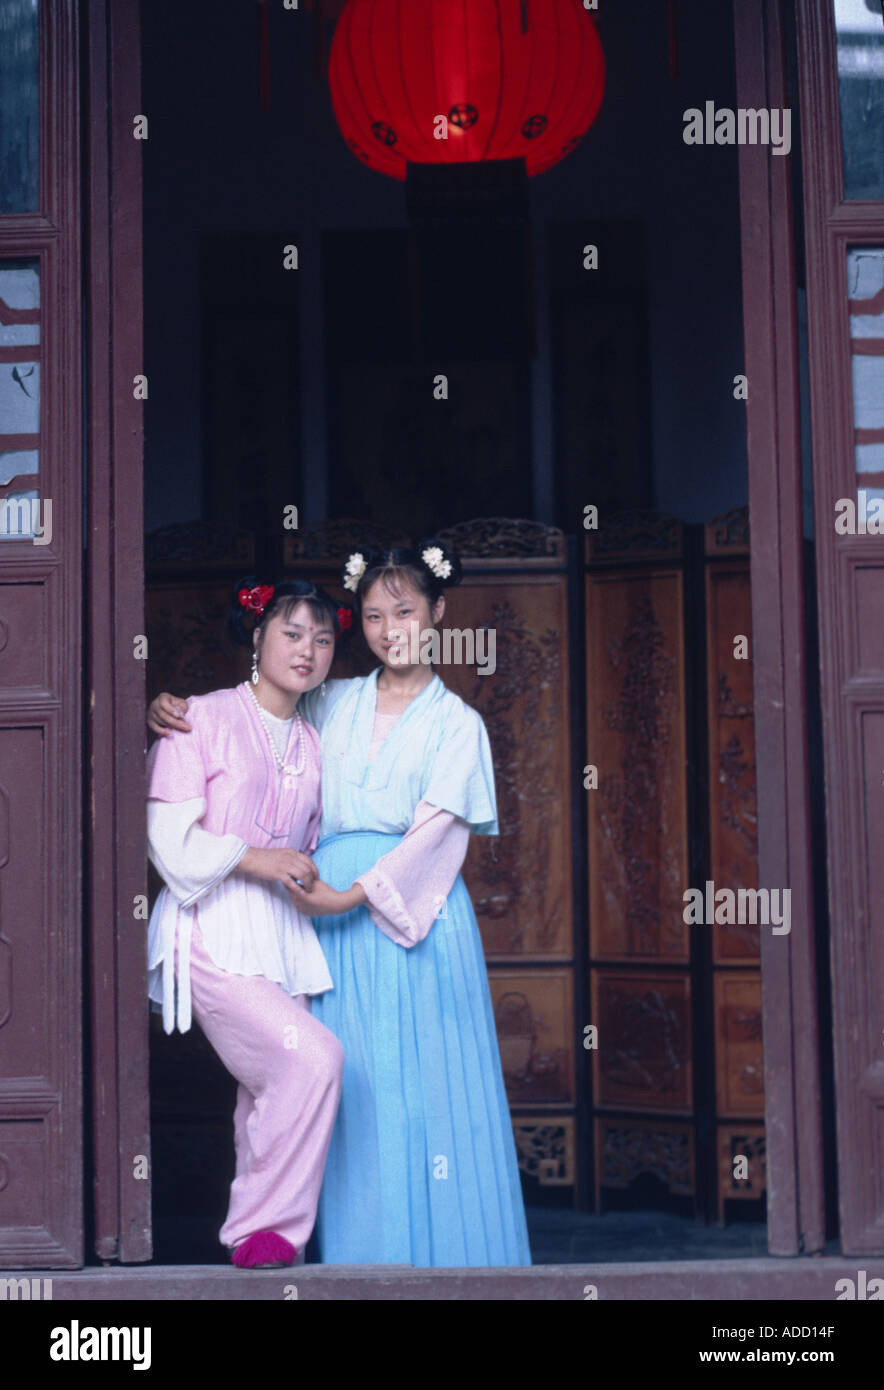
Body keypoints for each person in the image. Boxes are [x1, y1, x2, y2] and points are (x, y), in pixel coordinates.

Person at [149, 540, 532, 1267]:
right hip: (312, 921)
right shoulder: (335, 699)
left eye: (407, 611)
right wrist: (169, 709)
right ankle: (350, 1253)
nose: (391, 629)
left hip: (403, 913)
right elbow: (258, 713)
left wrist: (353, 895)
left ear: (439, 613)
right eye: (378, 615)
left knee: (421, 1088)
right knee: (337, 1082)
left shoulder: (459, 726)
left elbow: (436, 839)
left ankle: (449, 1259)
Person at [145, 577, 346, 1269]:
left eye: (322, 638)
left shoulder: (315, 741)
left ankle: (258, 1237)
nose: (308, 649)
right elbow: (170, 844)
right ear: (256, 637)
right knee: (313, 1058)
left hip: (282, 933)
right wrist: (259, 860)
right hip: (209, 927)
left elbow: (311, 847)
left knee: (268, 1085)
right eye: (292, 633)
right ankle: (269, 1229)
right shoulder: (197, 717)